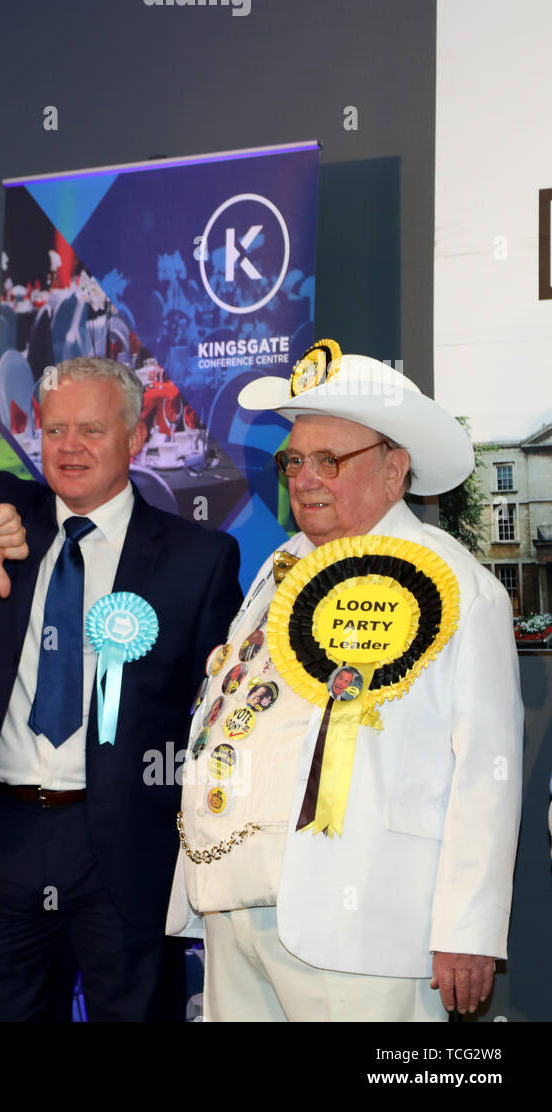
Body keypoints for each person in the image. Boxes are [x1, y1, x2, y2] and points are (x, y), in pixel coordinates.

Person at [0, 355, 241, 1021]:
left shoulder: (198, 559)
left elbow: (219, 708)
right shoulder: (2, 512)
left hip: (124, 846)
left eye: (93, 431)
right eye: (55, 429)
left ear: (134, 437)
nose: (69, 447)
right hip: (1, 836)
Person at [169, 344, 523, 1021]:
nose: (304, 479)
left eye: (329, 460)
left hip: (365, 924)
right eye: (294, 461)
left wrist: (467, 931)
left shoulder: (456, 587)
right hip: (234, 907)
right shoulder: (277, 569)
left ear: (395, 470)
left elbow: (487, 771)